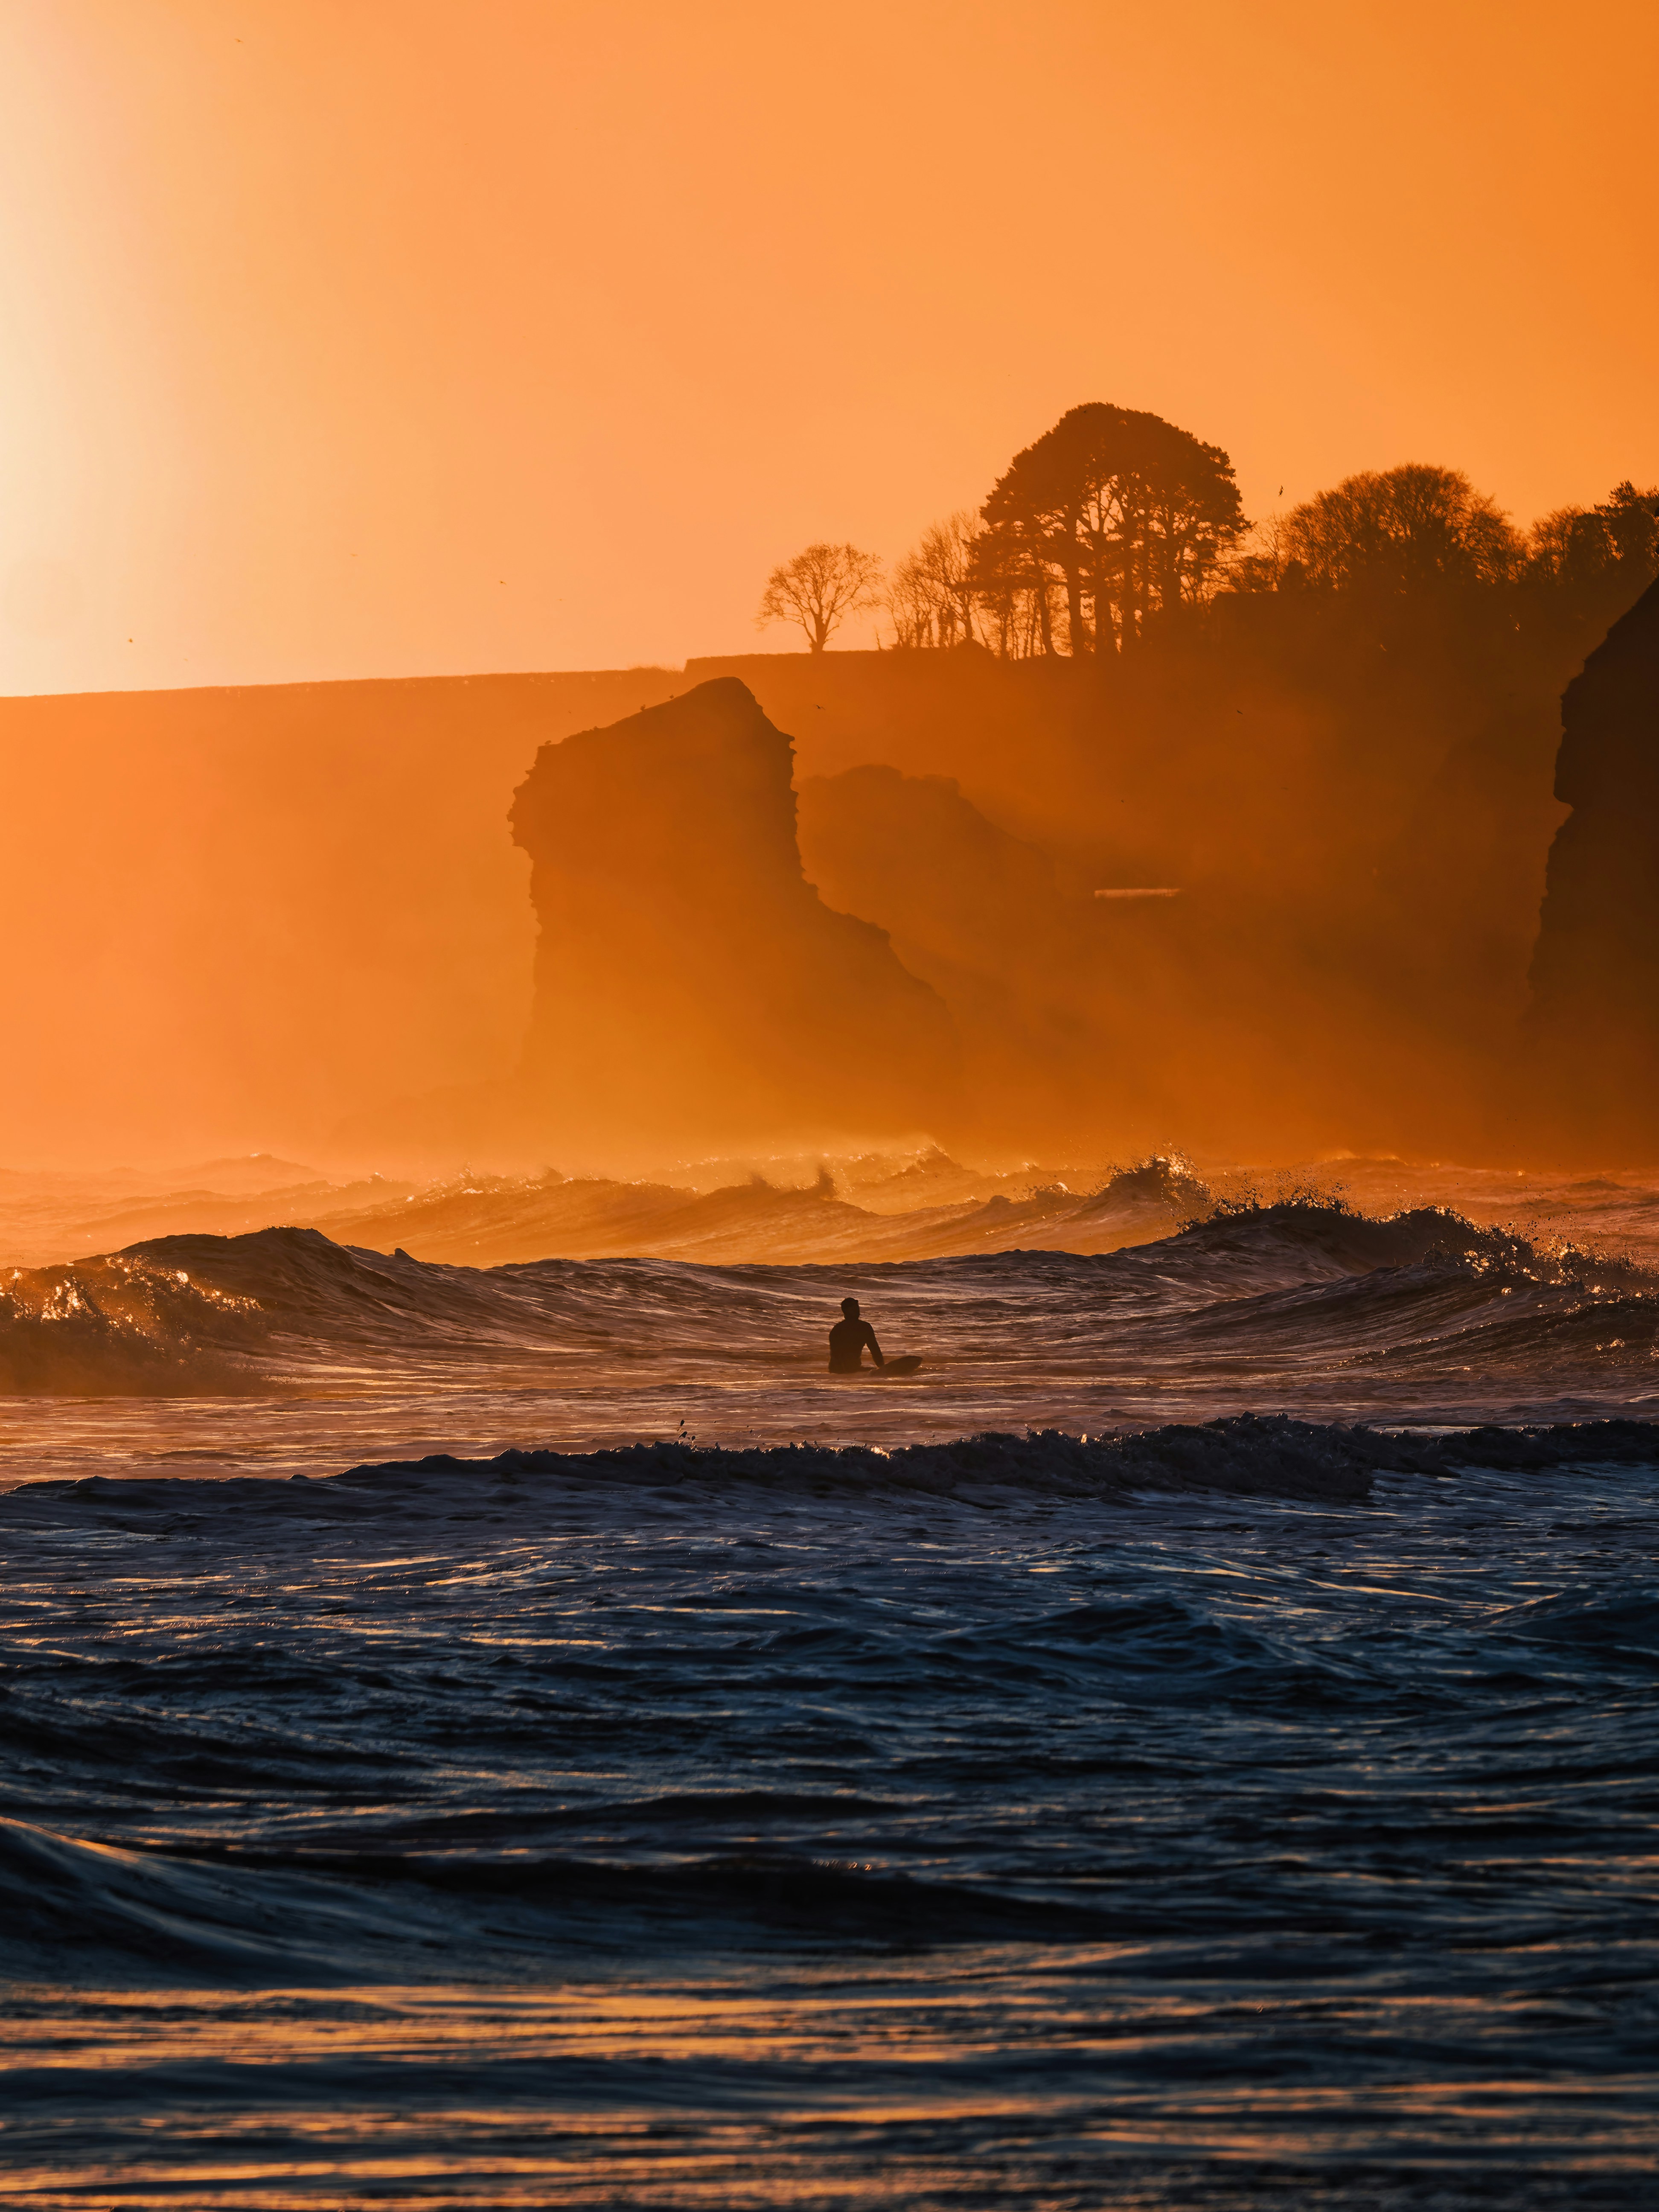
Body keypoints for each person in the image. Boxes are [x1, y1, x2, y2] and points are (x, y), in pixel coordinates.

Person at [827, 1295, 885, 1374]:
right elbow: (837, 1354)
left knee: (872, 1370)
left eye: (857, 1308)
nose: (857, 1311)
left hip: (843, 1370)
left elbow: (875, 1350)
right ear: (846, 1311)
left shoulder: (864, 1327)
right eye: (854, 1309)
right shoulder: (838, 1330)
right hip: (840, 1370)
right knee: (872, 1371)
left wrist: (883, 1368)